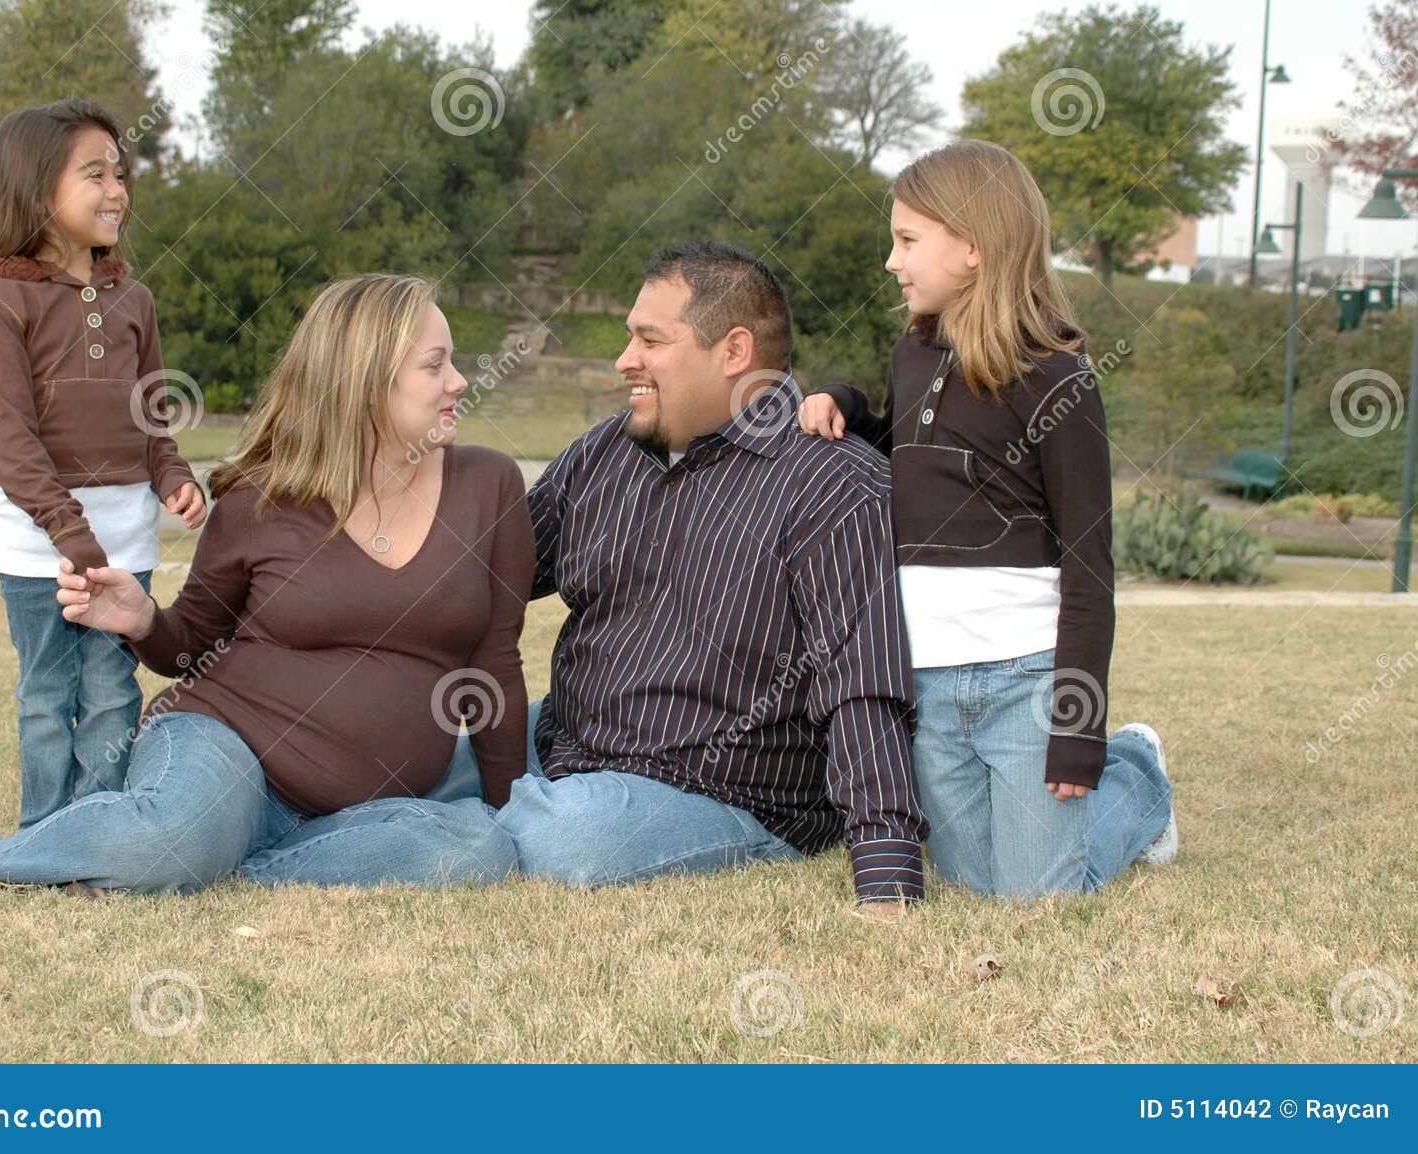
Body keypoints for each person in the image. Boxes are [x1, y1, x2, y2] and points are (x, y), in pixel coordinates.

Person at [0, 275, 529, 892]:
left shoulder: (489, 485)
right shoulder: (264, 499)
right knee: (173, 837)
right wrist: (143, 621)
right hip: (225, 743)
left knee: (481, 848)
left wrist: (508, 811)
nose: (459, 380)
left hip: (371, 805)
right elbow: (190, 645)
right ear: (364, 381)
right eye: (435, 365)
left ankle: (235, 864)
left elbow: (494, 665)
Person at [447, 240, 927, 912]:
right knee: (406, 766)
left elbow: (864, 685)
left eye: (650, 340)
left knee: (569, 841)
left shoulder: (832, 484)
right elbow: (485, 576)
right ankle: (463, 819)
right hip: (565, 749)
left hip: (731, 795)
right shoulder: (606, 452)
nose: (625, 360)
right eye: (629, 338)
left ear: (733, 352)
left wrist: (886, 873)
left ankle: (477, 828)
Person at [800, 140, 1176, 898]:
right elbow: (906, 454)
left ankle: (1136, 774)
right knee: (971, 884)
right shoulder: (912, 354)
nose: (892, 261)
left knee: (1039, 896)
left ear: (973, 246)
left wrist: (1079, 728)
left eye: (908, 240)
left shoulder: (1059, 377)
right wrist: (843, 400)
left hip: (1027, 679)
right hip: (928, 678)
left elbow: (1091, 564)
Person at [0, 97, 205, 829]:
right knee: (46, 694)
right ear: (38, 192)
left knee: (110, 692)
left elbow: (152, 419)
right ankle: (42, 834)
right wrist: (69, 531)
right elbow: (14, 445)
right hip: (40, 542)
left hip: (124, 539)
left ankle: (98, 832)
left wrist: (173, 477)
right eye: (94, 174)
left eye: (119, 174)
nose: (117, 190)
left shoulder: (135, 300)